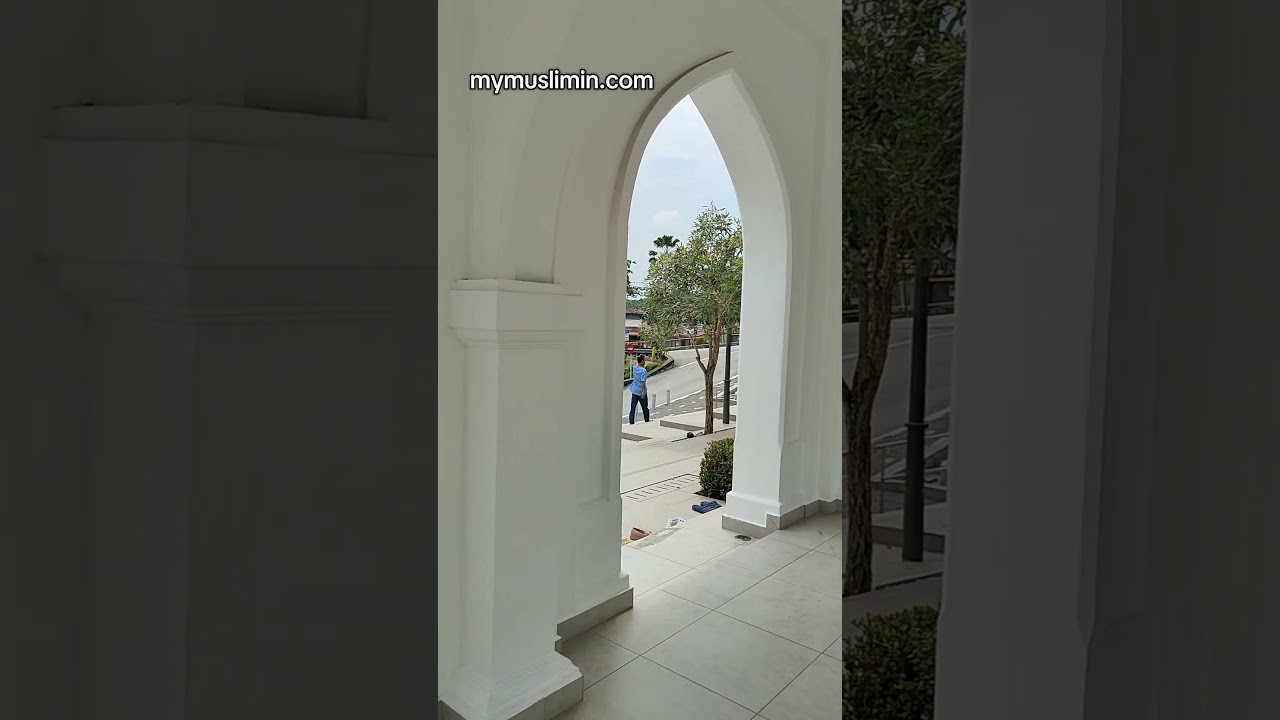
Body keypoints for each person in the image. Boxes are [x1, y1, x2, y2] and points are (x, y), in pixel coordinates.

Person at [628, 354, 650, 424]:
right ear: (642, 361)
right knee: (645, 407)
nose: (645, 362)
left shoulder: (634, 367)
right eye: (644, 361)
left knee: (633, 408)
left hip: (634, 390)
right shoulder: (643, 371)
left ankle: (631, 422)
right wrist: (643, 391)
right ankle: (647, 420)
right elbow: (642, 381)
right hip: (640, 391)